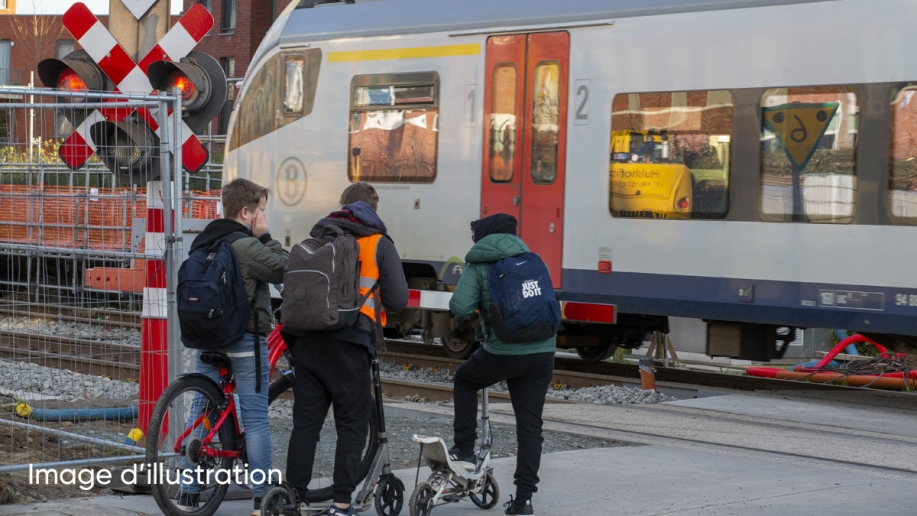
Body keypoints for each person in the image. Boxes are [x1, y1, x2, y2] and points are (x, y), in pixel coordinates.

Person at [284, 182, 408, 516]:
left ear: (341, 205)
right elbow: (398, 300)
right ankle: (341, 502)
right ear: (374, 209)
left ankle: (291, 496)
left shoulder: (318, 236)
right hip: (350, 345)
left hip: (306, 342)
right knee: (352, 425)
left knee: (306, 424)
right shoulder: (378, 242)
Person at [181, 178, 289, 516]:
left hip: (207, 339)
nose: (262, 216)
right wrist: (267, 236)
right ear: (246, 211)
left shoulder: (203, 241)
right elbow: (283, 267)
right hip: (243, 339)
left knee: (201, 409)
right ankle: (262, 495)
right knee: (256, 418)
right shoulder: (245, 245)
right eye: (260, 211)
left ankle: (188, 489)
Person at [448, 213, 556, 516]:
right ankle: (523, 500)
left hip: (503, 351)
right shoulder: (535, 261)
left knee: (465, 380)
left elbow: (460, 306)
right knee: (530, 426)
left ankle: (464, 449)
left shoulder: (479, 264)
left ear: (483, 237)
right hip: (542, 352)